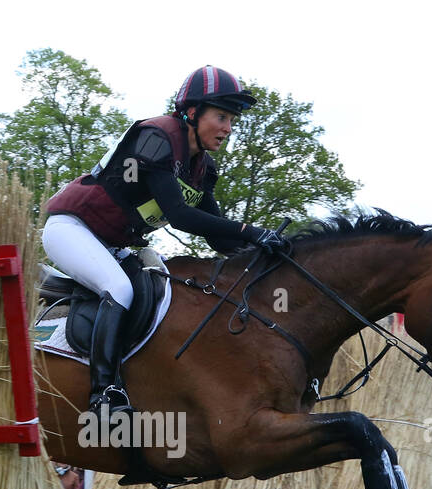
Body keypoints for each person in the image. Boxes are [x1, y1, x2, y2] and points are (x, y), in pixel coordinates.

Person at [43, 66, 286, 416]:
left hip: (110, 244)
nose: (228, 128)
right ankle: (103, 396)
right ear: (192, 111)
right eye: (221, 116)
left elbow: (216, 234)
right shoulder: (156, 137)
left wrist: (268, 251)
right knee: (120, 289)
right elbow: (181, 215)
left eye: (232, 120)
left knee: (160, 288)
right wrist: (251, 231)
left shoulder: (203, 167)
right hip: (72, 229)